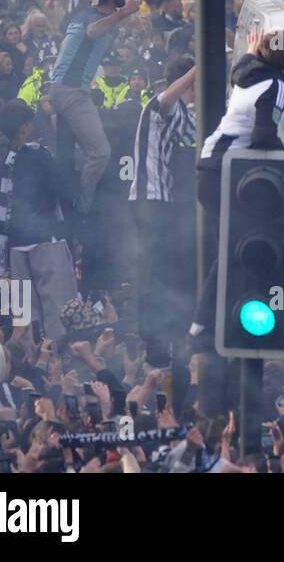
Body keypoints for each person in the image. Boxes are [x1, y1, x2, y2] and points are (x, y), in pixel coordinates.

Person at [191, 30, 284, 342]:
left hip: (208, 167)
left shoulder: (244, 74)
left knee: (235, 248)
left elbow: (246, 63)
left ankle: (215, 320)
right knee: (236, 251)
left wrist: (253, 53)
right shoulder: (276, 85)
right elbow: (264, 136)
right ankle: (204, 322)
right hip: (228, 172)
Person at [47, 0, 141, 216]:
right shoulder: (89, 18)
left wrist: (129, 18)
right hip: (71, 91)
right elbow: (92, 31)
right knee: (101, 153)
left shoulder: (95, 15)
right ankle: (82, 208)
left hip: (70, 91)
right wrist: (125, 13)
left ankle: (68, 199)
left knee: (79, 152)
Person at [0, 100, 80, 340]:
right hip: (46, 243)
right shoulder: (40, 156)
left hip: (15, 250)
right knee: (61, 311)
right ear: (25, 127)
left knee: (28, 319)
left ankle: (34, 366)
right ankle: (62, 364)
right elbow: (64, 192)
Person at [129, 55, 198, 363]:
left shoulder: (184, 114)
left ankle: (173, 333)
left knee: (169, 269)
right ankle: (153, 340)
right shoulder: (158, 106)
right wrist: (201, 67)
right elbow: (167, 98)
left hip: (167, 202)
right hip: (149, 199)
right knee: (154, 271)